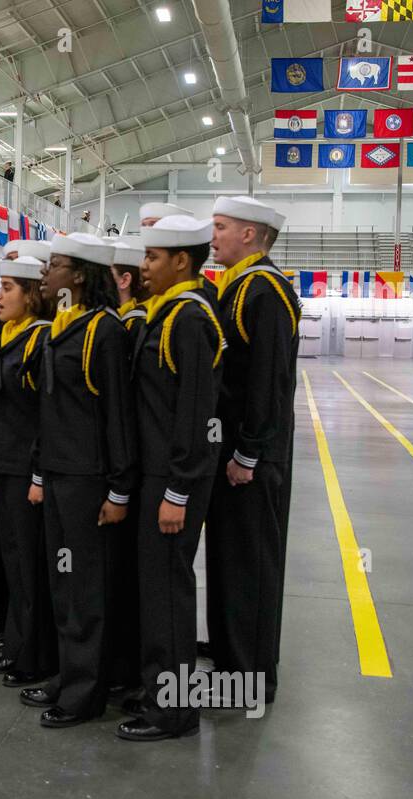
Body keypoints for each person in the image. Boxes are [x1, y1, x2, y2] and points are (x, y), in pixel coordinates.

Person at [20, 233, 133, 728]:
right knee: (63, 584)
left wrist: (118, 488)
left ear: (82, 275)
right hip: (59, 473)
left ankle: (86, 691)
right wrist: (41, 469)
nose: (47, 275)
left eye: (57, 266)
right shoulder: (59, 326)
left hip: (89, 479)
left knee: (86, 588)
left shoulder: (103, 330)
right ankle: (70, 674)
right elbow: (47, 409)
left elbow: (117, 414)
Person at [118, 215, 223, 743]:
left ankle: (175, 710)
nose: (143, 267)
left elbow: (197, 412)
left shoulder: (189, 319)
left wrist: (178, 490)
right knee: (154, 589)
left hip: (176, 478)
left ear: (182, 261)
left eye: (152, 258)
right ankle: (158, 689)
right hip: (158, 474)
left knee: (168, 591)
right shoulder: (164, 314)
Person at [205, 196, 298, 708]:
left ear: (249, 234)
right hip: (232, 452)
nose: (212, 235)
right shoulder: (239, 285)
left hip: (252, 459)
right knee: (228, 559)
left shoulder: (264, 291)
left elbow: (268, 380)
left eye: (220, 227)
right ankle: (229, 656)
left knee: (251, 565)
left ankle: (251, 677)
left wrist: (249, 453)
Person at [0, 256, 57, 686]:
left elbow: (45, 415)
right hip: (4, 467)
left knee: (30, 567)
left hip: (27, 470)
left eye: (8, 287)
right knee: (14, 565)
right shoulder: (4, 338)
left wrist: (38, 475)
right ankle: (17, 646)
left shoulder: (39, 341)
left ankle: (32, 656)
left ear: (31, 295)